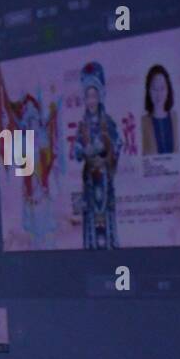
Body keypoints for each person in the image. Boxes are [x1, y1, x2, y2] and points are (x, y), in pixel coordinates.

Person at [74, 61, 120, 249]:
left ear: (100, 96)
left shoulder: (107, 121)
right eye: (88, 96)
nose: (91, 100)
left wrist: (105, 148)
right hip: (90, 181)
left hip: (104, 178)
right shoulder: (82, 125)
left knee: (106, 214)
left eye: (94, 95)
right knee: (91, 216)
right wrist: (83, 151)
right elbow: (76, 150)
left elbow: (117, 143)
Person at [140, 64, 178, 155]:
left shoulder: (176, 118)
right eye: (154, 88)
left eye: (162, 88)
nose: (158, 94)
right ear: (148, 91)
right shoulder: (142, 122)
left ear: (168, 90)